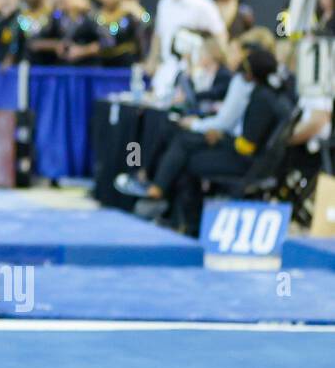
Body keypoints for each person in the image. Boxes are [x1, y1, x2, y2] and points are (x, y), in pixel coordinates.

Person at [115, 49, 292, 232]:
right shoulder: (272, 95)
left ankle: (184, 219)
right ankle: (170, 208)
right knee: (183, 143)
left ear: (252, 73)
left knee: (187, 160)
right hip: (250, 158)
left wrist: (221, 137)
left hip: (247, 163)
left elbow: (247, 145)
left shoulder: (261, 98)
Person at [147, 0, 226, 72]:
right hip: (167, 66)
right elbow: (158, 34)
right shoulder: (164, 2)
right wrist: (152, 60)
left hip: (193, 69)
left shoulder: (204, 5)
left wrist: (212, 64)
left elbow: (220, 35)